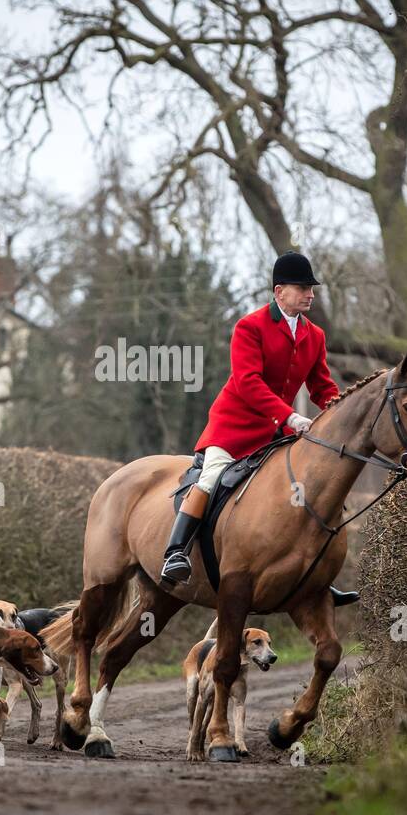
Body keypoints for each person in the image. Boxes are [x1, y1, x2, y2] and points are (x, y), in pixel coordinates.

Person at [161, 251, 359, 606]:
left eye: (311, 288)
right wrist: (289, 417)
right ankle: (176, 553)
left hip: (277, 434)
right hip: (235, 428)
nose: (310, 294)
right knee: (210, 477)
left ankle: (312, 575)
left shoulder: (314, 335)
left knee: (305, 488)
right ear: (279, 291)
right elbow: (248, 382)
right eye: (302, 288)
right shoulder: (249, 327)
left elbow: (322, 386)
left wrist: (338, 412)